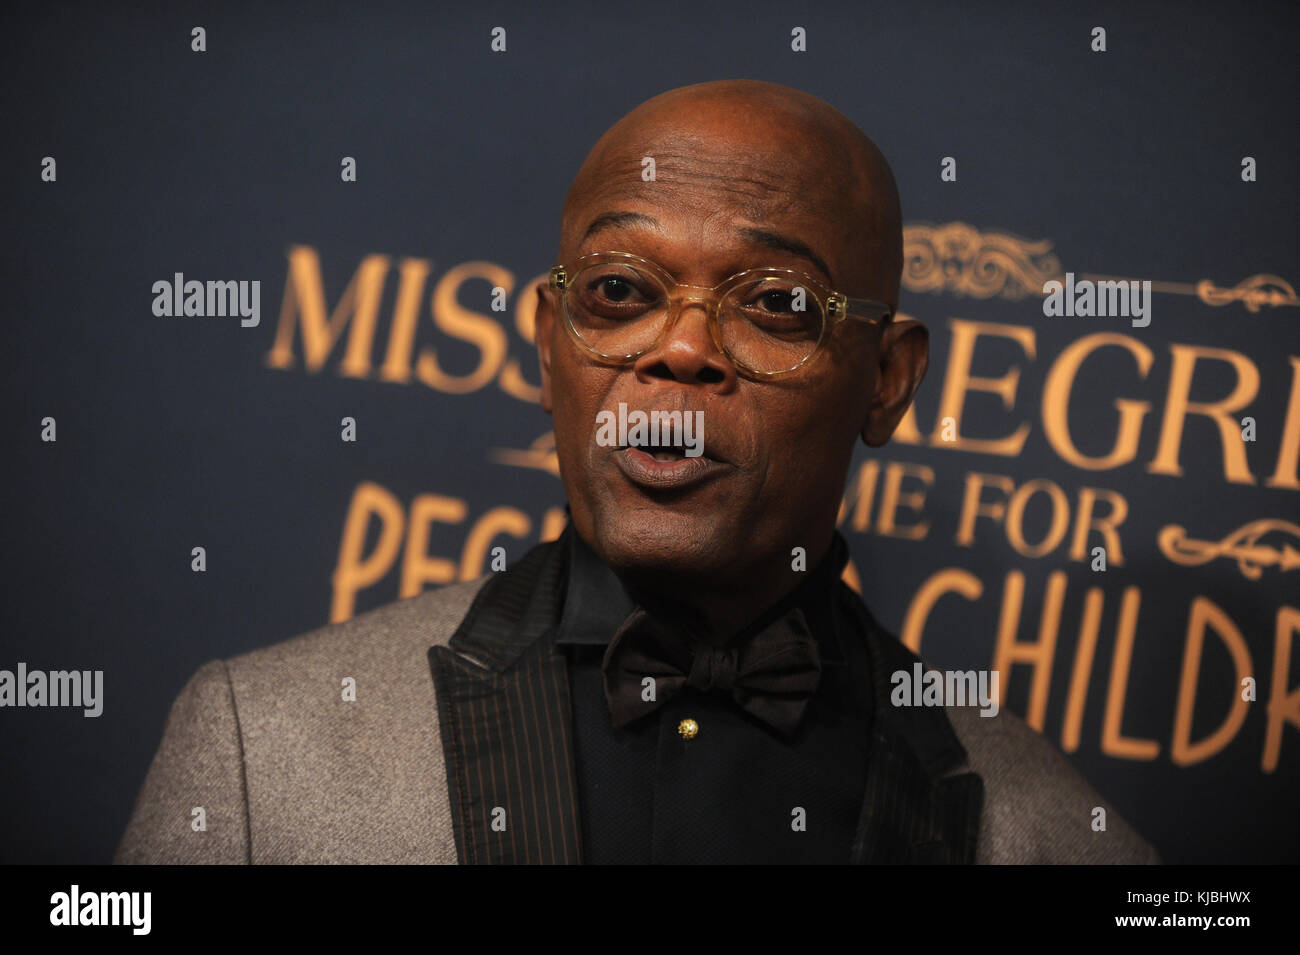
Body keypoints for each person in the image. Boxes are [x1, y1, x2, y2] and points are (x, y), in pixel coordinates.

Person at [115, 79, 1158, 864]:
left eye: (774, 303)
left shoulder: (1060, 836)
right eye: (619, 288)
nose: (682, 349)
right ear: (545, 341)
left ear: (886, 380)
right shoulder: (261, 748)